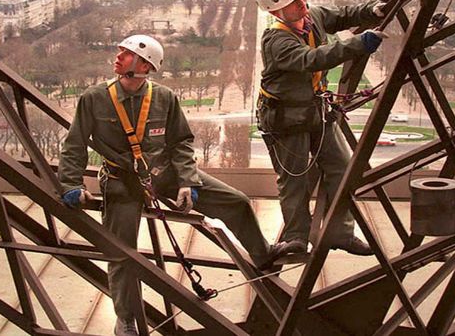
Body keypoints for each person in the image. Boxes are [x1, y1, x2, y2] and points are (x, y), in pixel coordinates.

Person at [58, 35, 288, 336]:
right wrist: (70, 184)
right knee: (121, 254)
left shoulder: (163, 98)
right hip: (121, 182)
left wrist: (187, 181)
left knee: (236, 201)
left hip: (165, 174)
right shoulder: (95, 98)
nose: (118, 57)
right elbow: (75, 144)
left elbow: (181, 142)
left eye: (126, 54)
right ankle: (125, 319)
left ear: (144, 65)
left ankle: (262, 253)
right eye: (120, 52)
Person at [254, 0, 390, 257]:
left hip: (315, 111)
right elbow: (312, 59)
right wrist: (358, 44)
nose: (301, 3)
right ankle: (296, 238)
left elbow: (342, 15)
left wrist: (372, 10)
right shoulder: (277, 40)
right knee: (294, 180)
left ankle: (340, 233)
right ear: (276, 12)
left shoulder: (311, 16)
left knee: (342, 168)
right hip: (286, 118)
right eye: (293, 2)